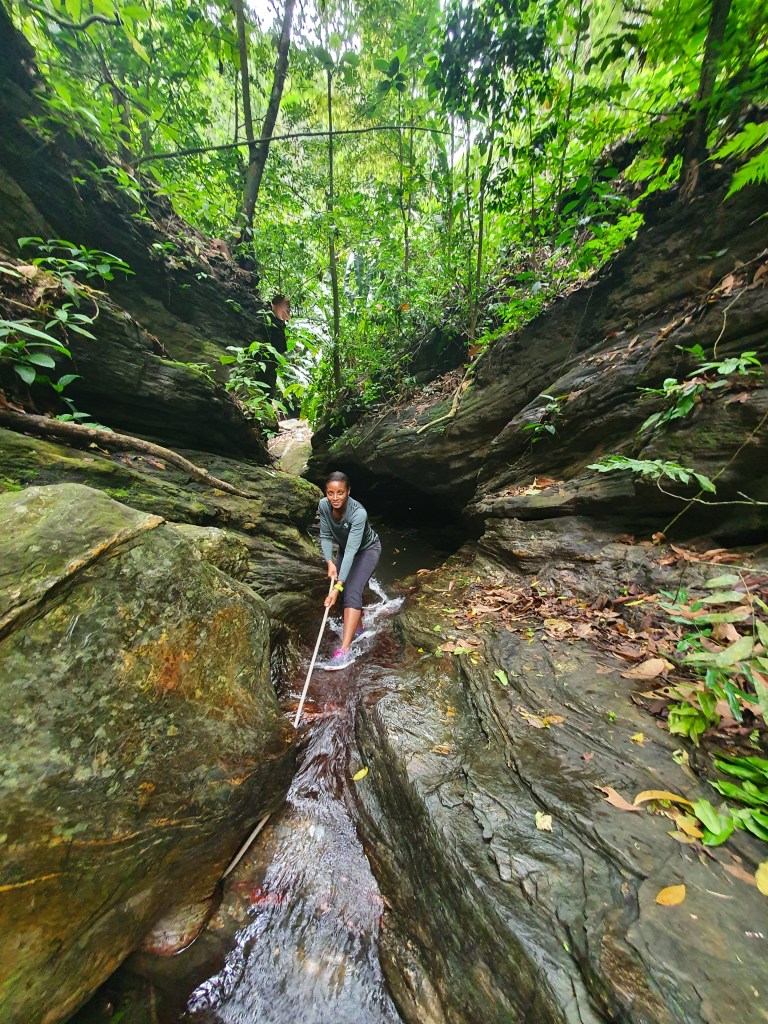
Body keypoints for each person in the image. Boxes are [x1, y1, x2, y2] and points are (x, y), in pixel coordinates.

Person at [318, 471, 381, 667]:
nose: (335, 498)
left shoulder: (358, 513)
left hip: (367, 550)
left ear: (348, 492)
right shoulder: (323, 505)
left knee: (350, 590)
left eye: (340, 493)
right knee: (346, 593)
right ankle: (359, 628)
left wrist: (337, 587)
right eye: (330, 493)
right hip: (346, 549)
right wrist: (329, 561)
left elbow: (353, 550)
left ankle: (344, 651)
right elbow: (326, 535)